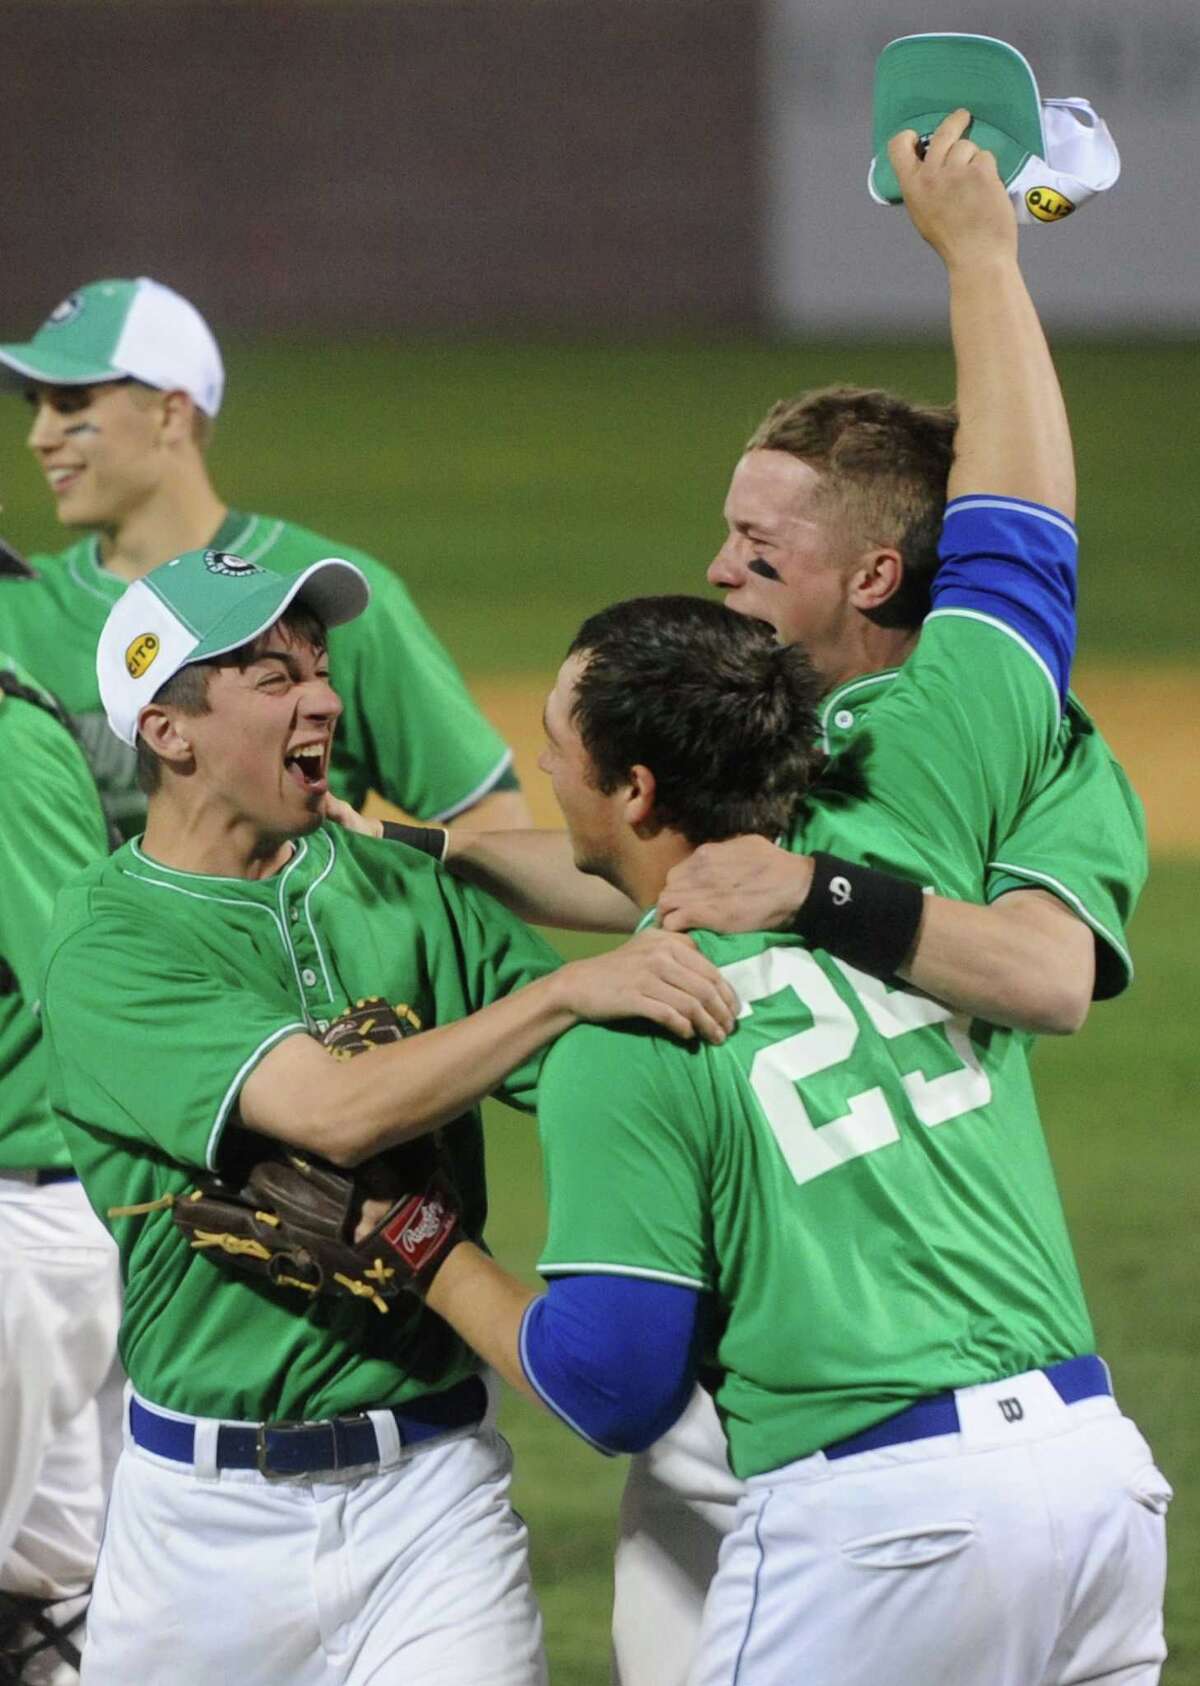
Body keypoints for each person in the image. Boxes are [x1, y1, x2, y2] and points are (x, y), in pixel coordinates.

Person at [349, 111, 1152, 1683]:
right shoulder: (916, 775)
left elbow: (614, 1381)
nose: (720, 565)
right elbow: (1023, 547)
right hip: (1085, 1469)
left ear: (643, 788)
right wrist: (982, 258)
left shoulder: (642, 1025)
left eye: (560, 751)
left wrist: (425, 1243)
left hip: (868, 1512)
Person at [37, 545, 736, 1686]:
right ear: (169, 731)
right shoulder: (109, 943)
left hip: (433, 1497)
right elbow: (332, 1111)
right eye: (274, 677)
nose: (322, 698)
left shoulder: (399, 890)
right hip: (200, 1541)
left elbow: (586, 1068)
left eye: (320, 667)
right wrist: (562, 992)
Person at [0, 276, 529, 840]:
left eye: (71, 405)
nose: (40, 437)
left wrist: (375, 894)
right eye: (37, 407)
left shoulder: (326, 593)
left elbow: (491, 818)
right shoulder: (16, 609)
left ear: (171, 414)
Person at [0, 642, 118, 1685]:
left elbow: (64, 992)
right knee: (49, 1606)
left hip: (23, 1217)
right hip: (41, 1218)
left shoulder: (5, 744)